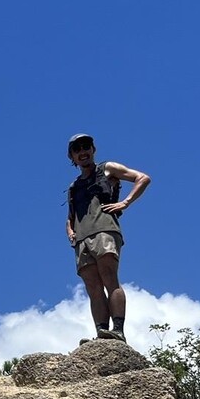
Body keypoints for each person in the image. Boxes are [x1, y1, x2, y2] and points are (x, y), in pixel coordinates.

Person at [65, 133, 151, 342]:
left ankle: (118, 330)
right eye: (77, 149)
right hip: (82, 238)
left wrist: (125, 202)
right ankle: (102, 333)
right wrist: (70, 231)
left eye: (86, 146)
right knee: (93, 287)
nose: (83, 151)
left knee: (109, 278)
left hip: (104, 229)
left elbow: (142, 178)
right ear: (72, 157)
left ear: (93, 149)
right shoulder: (74, 186)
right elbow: (70, 216)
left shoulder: (107, 168)